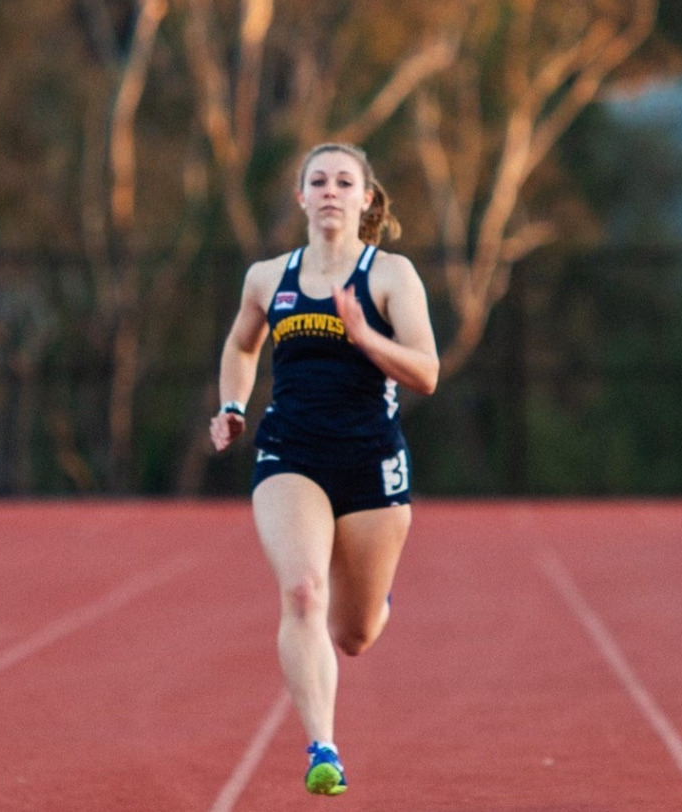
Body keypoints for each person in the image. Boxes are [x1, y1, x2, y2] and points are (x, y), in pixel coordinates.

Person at [210, 142, 439, 796]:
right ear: (302, 198)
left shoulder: (390, 275)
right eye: (319, 180)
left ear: (366, 198)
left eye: (346, 181)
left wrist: (365, 337)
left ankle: (372, 597)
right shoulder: (268, 278)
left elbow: (427, 372)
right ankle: (323, 747)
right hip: (292, 454)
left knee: (355, 633)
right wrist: (232, 404)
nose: (332, 190)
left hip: (371, 462)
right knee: (305, 592)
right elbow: (241, 344)